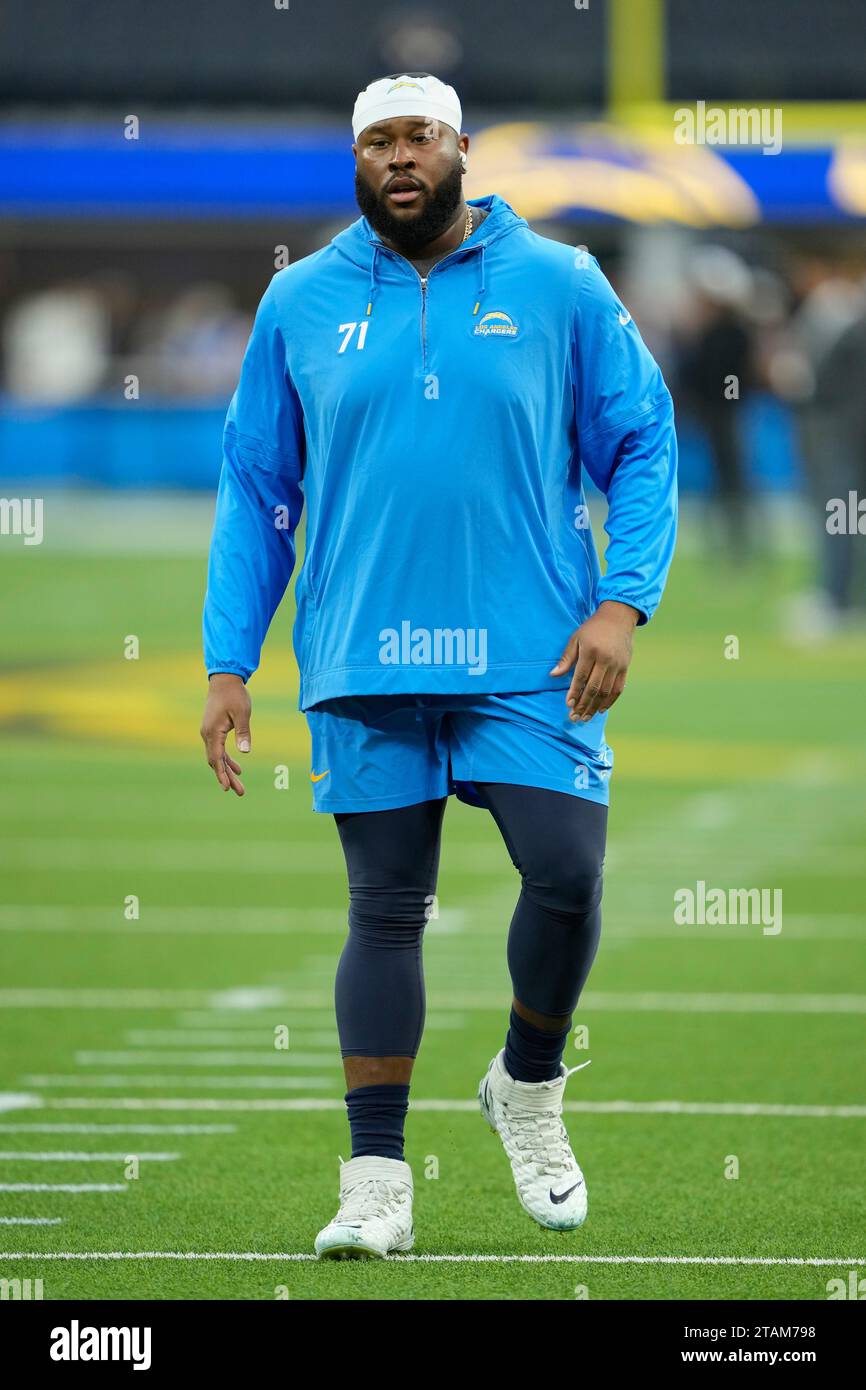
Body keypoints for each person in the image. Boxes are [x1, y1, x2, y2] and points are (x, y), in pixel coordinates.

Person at [200, 72, 678, 1259]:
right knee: (384, 907)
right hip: (365, 651)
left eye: (416, 137)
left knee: (565, 873)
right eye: (375, 142)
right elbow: (256, 489)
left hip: (529, 648)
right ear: (355, 161)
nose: (396, 158)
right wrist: (227, 661)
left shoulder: (560, 282)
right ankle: (374, 1182)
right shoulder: (298, 301)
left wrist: (622, 600)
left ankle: (524, 1083)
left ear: (461, 147)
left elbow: (642, 439)